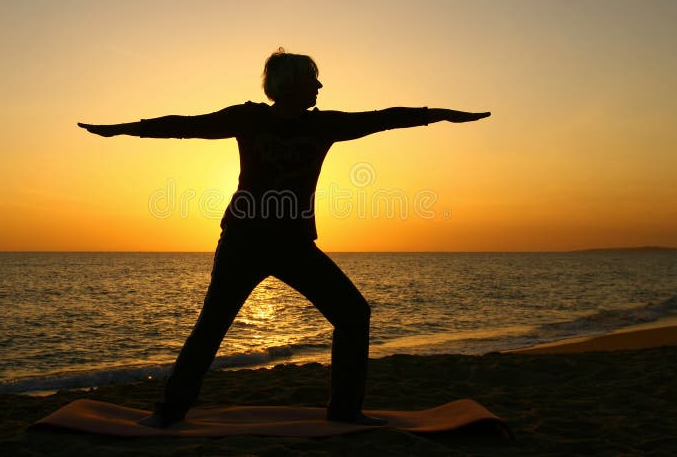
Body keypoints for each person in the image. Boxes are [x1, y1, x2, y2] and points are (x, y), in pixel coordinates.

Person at [78, 48, 490, 427]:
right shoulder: (248, 118)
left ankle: (345, 412)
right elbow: (184, 127)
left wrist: (443, 114)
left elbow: (385, 117)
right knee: (212, 327)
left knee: (353, 314)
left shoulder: (324, 124)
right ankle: (168, 412)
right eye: (314, 80)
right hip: (243, 241)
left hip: (294, 245)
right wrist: (120, 129)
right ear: (292, 84)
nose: (321, 87)